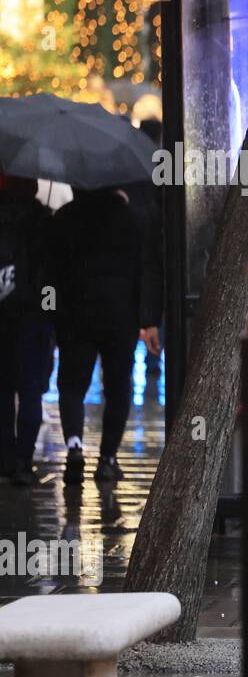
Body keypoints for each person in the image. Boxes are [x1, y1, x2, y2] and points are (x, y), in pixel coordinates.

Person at [46, 183, 162, 485]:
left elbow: (51, 273)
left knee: (71, 385)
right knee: (118, 387)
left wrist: (53, 315)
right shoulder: (132, 219)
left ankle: (74, 446)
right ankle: (108, 459)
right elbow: (145, 270)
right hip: (119, 318)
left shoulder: (64, 218)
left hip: (76, 317)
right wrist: (148, 321)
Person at [0, 174, 55, 485]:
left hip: (2, 313)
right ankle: (24, 459)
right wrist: (51, 316)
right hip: (33, 317)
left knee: (3, 391)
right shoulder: (43, 221)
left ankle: (6, 458)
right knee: (31, 391)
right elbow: (52, 276)